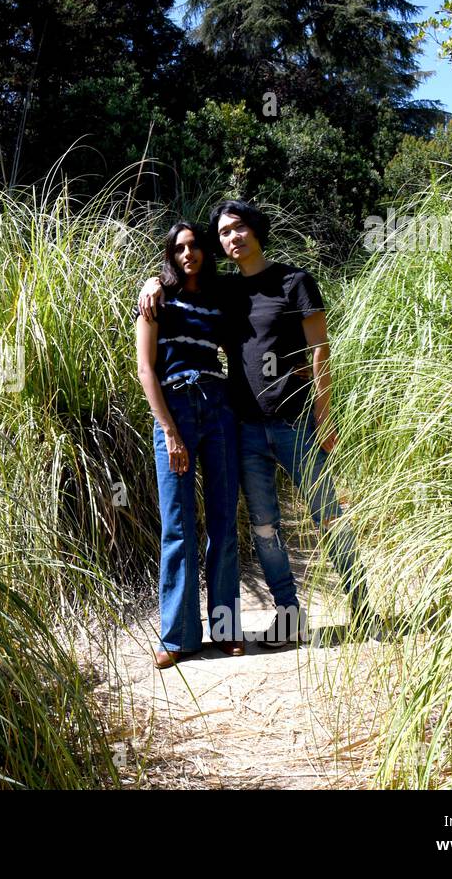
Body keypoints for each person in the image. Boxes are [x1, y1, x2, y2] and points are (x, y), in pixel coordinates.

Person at [138, 200, 379, 646]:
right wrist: (152, 281)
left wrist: (323, 413)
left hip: (297, 421)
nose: (233, 237)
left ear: (256, 230)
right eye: (225, 232)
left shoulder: (295, 282)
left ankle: (364, 609)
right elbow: (181, 280)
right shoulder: (224, 291)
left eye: (240, 228)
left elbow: (320, 350)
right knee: (266, 526)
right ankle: (290, 614)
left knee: (329, 515)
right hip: (244, 425)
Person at [134, 221, 244, 670]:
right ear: (170, 255)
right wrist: (169, 432)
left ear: (204, 250)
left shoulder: (219, 299)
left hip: (218, 409)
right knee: (178, 526)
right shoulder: (155, 301)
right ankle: (178, 637)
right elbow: (146, 370)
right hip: (175, 411)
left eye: (195, 245)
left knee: (223, 520)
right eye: (178, 248)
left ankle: (225, 628)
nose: (188, 253)